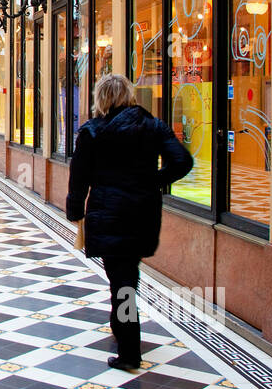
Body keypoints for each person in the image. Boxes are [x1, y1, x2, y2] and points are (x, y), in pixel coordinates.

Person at [66, 74, 192, 373]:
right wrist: (153, 182)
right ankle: (125, 336)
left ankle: (129, 351)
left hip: (109, 214)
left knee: (121, 283)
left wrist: (74, 211)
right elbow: (182, 161)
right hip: (142, 214)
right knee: (126, 277)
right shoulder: (152, 125)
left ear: (101, 98)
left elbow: (79, 178)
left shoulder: (93, 131)